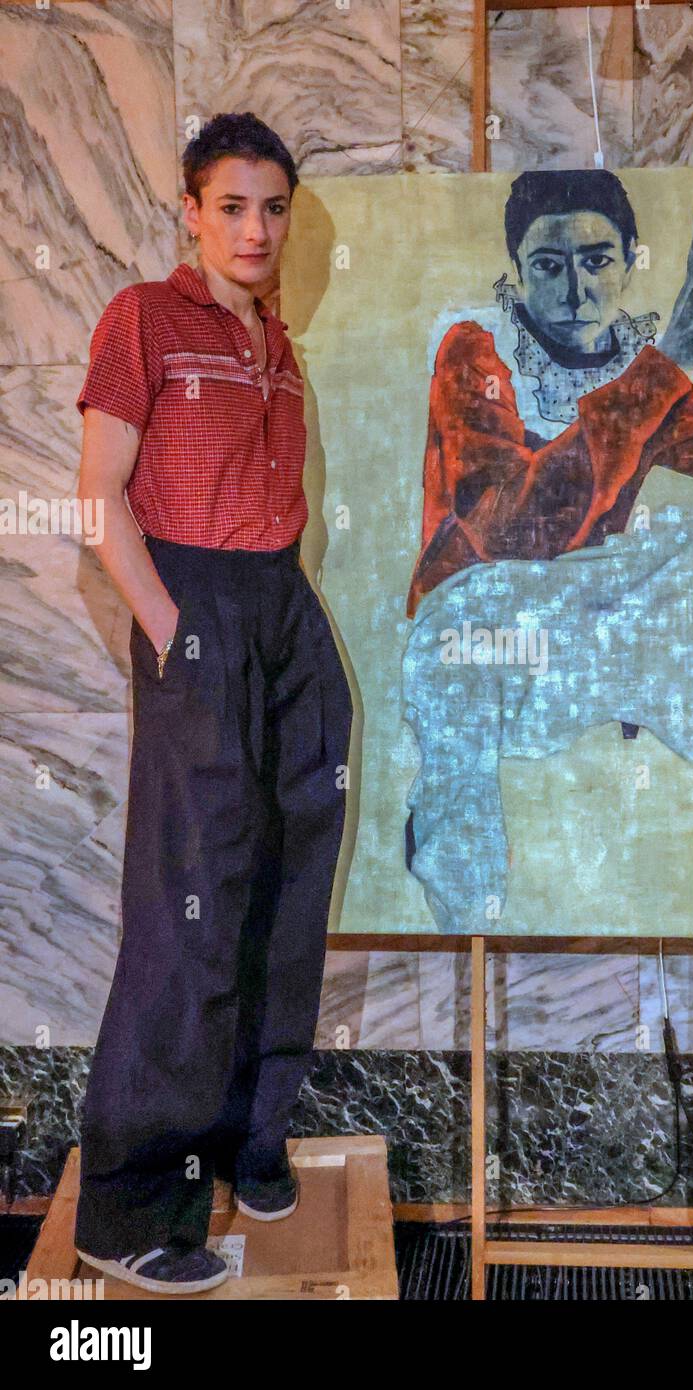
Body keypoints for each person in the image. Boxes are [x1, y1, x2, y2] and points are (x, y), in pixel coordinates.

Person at [72, 112, 353, 1295]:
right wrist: (175, 629)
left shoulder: (278, 341)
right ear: (192, 210)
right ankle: (128, 1207)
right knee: (188, 902)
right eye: (232, 206)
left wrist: (272, 625)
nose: (256, 229)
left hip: (282, 610)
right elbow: (100, 494)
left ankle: (248, 1132)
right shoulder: (145, 316)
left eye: (274, 208)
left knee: (286, 886)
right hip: (198, 609)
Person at [406, 169, 693, 618]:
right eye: (548, 266)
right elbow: (508, 534)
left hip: (576, 628)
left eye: (597, 262)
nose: (575, 293)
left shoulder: (644, 361)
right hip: (470, 623)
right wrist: (669, 369)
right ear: (518, 269)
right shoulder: (480, 347)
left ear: (630, 262)